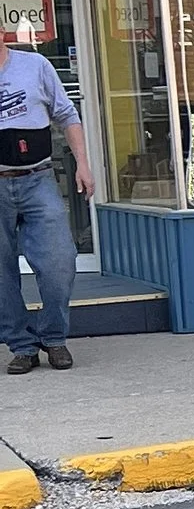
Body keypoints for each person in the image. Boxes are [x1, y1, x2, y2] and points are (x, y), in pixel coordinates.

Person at [0, 24, 89, 375]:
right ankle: (21, 346)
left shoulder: (35, 66)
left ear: (3, 31)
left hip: (38, 179)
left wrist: (83, 164)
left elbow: (67, 115)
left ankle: (54, 338)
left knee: (58, 262)